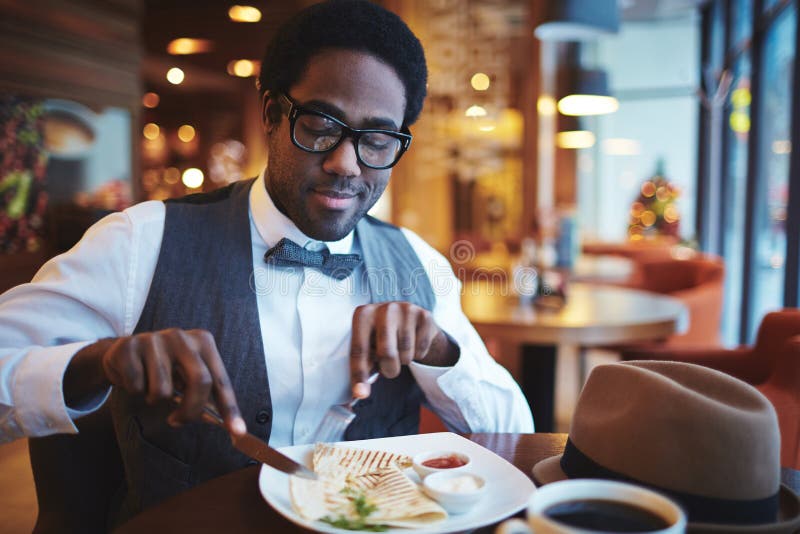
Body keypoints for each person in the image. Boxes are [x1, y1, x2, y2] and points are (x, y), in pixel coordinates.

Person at [0, 0, 533, 520]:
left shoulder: (418, 263)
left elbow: (517, 432)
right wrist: (97, 362)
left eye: (375, 139)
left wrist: (440, 349)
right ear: (273, 115)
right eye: (322, 126)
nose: (345, 163)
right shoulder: (143, 241)